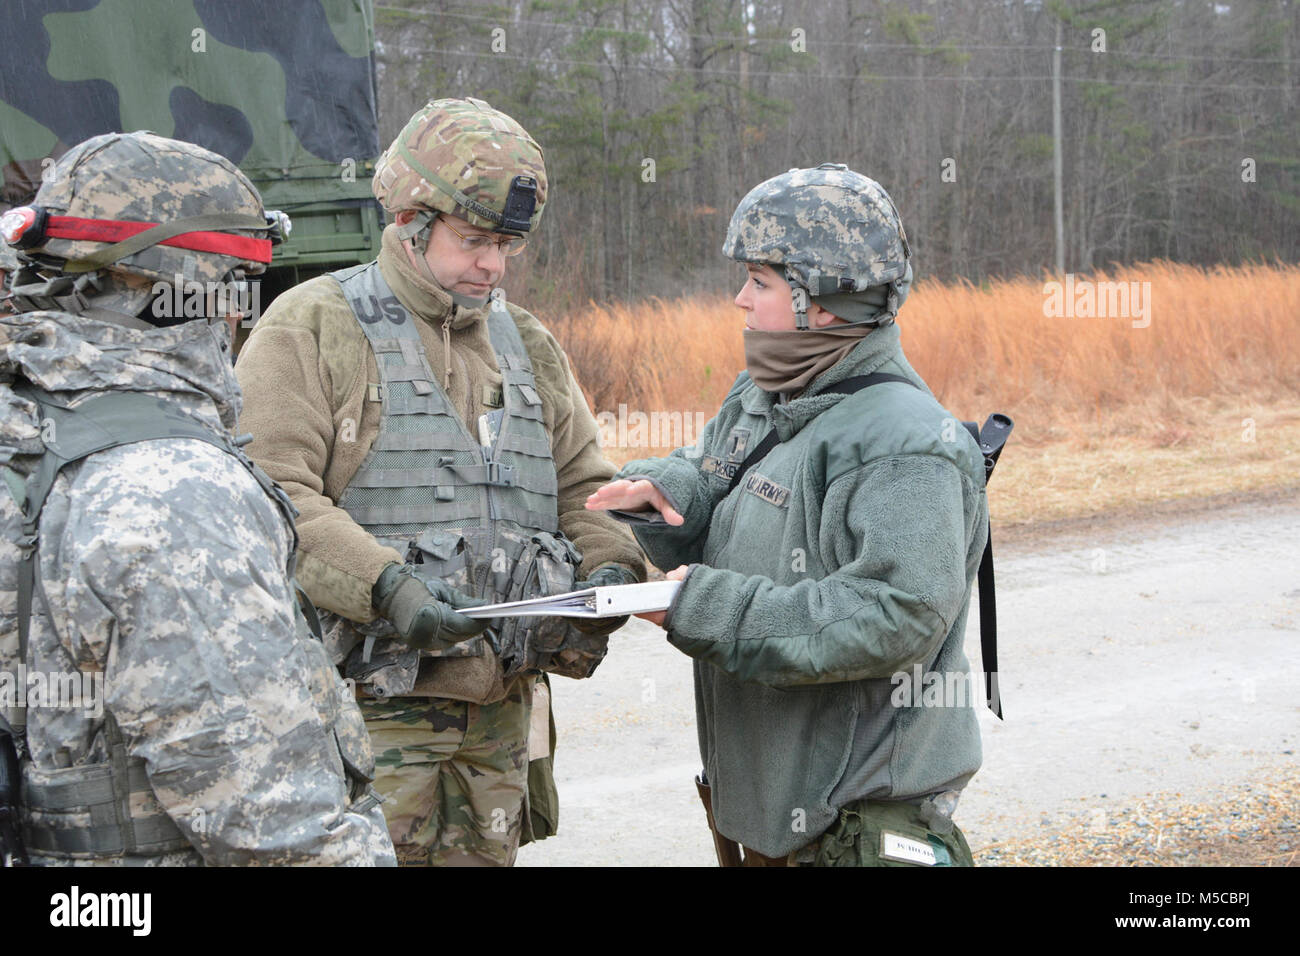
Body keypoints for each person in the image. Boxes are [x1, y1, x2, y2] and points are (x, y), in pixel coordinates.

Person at [234, 97, 646, 867]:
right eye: (475, 240)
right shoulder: (311, 326)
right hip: (367, 715)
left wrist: (612, 573)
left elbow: (586, 486)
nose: (494, 265)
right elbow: (273, 498)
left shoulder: (526, 342)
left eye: (508, 245)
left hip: (499, 718)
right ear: (409, 223)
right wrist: (387, 587)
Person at [0, 131, 396, 866]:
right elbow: (276, 825)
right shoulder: (174, 493)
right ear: (193, 287)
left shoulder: (28, 430)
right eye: (242, 283)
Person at [587, 163, 989, 867]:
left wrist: (708, 608)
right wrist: (668, 492)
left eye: (761, 281)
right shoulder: (769, 389)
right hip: (772, 822)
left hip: (852, 833)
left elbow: (896, 613)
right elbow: (718, 465)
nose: (740, 299)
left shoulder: (905, 444)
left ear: (823, 301)